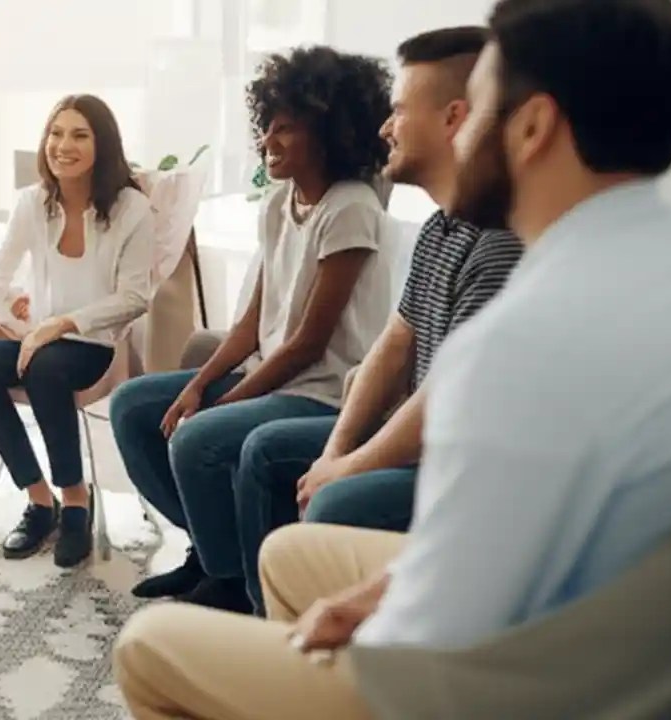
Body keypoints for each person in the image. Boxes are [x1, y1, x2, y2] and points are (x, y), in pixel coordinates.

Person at [113, 0, 671, 717]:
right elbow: (501, 541)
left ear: (531, 126)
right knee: (289, 556)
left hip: (516, 686)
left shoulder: (524, 336)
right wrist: (368, 595)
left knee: (148, 649)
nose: (461, 128)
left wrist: (366, 620)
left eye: (478, 104)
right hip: (618, 623)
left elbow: (433, 638)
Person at [230, 26, 525, 615]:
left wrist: (346, 469)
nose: (385, 128)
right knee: (267, 453)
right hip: (411, 440)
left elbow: (442, 397)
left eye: (397, 111)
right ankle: (262, 613)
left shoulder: (500, 244)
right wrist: (334, 454)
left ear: (452, 118)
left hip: (455, 465)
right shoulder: (441, 229)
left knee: (337, 503)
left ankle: (315, 646)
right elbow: (393, 346)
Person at [110, 46, 395, 613]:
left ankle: (235, 585)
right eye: (268, 126)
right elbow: (251, 324)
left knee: (199, 437)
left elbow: (306, 344)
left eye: (286, 128)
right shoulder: (278, 203)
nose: (268, 140)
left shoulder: (352, 209)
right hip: (276, 380)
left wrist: (223, 403)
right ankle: (212, 554)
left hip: (325, 395)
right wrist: (198, 384)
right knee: (133, 406)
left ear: (329, 131)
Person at [0, 94, 155, 567]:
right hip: (39, 340)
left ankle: (75, 504)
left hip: (94, 345)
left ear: (102, 145)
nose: (63, 145)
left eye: (79, 135)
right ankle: (39, 499)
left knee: (46, 368)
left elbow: (134, 297)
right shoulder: (32, 203)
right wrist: (21, 323)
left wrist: (58, 324)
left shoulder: (132, 210)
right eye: (56, 133)